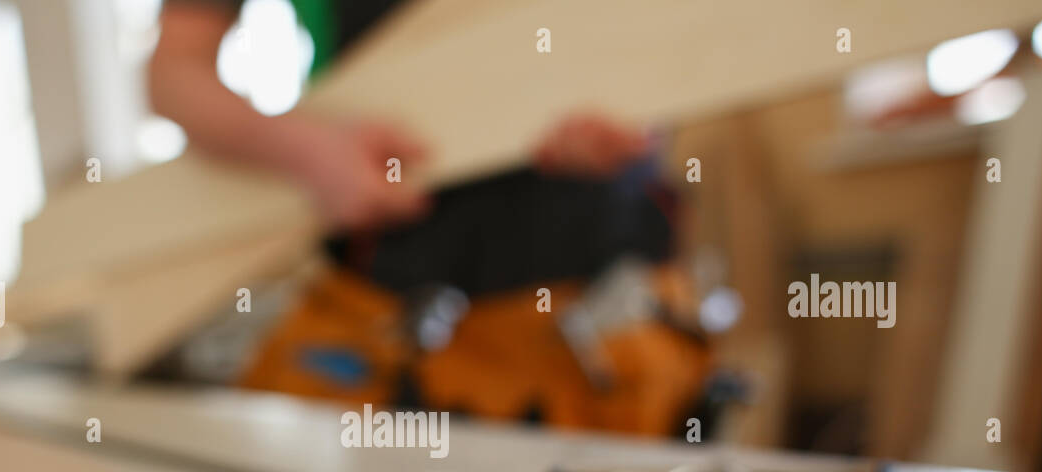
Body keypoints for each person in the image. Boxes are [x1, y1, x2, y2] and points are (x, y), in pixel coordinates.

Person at [148, 0, 675, 298]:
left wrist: (631, 109)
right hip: (396, 290)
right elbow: (173, 72)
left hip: (599, 281)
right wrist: (307, 150)